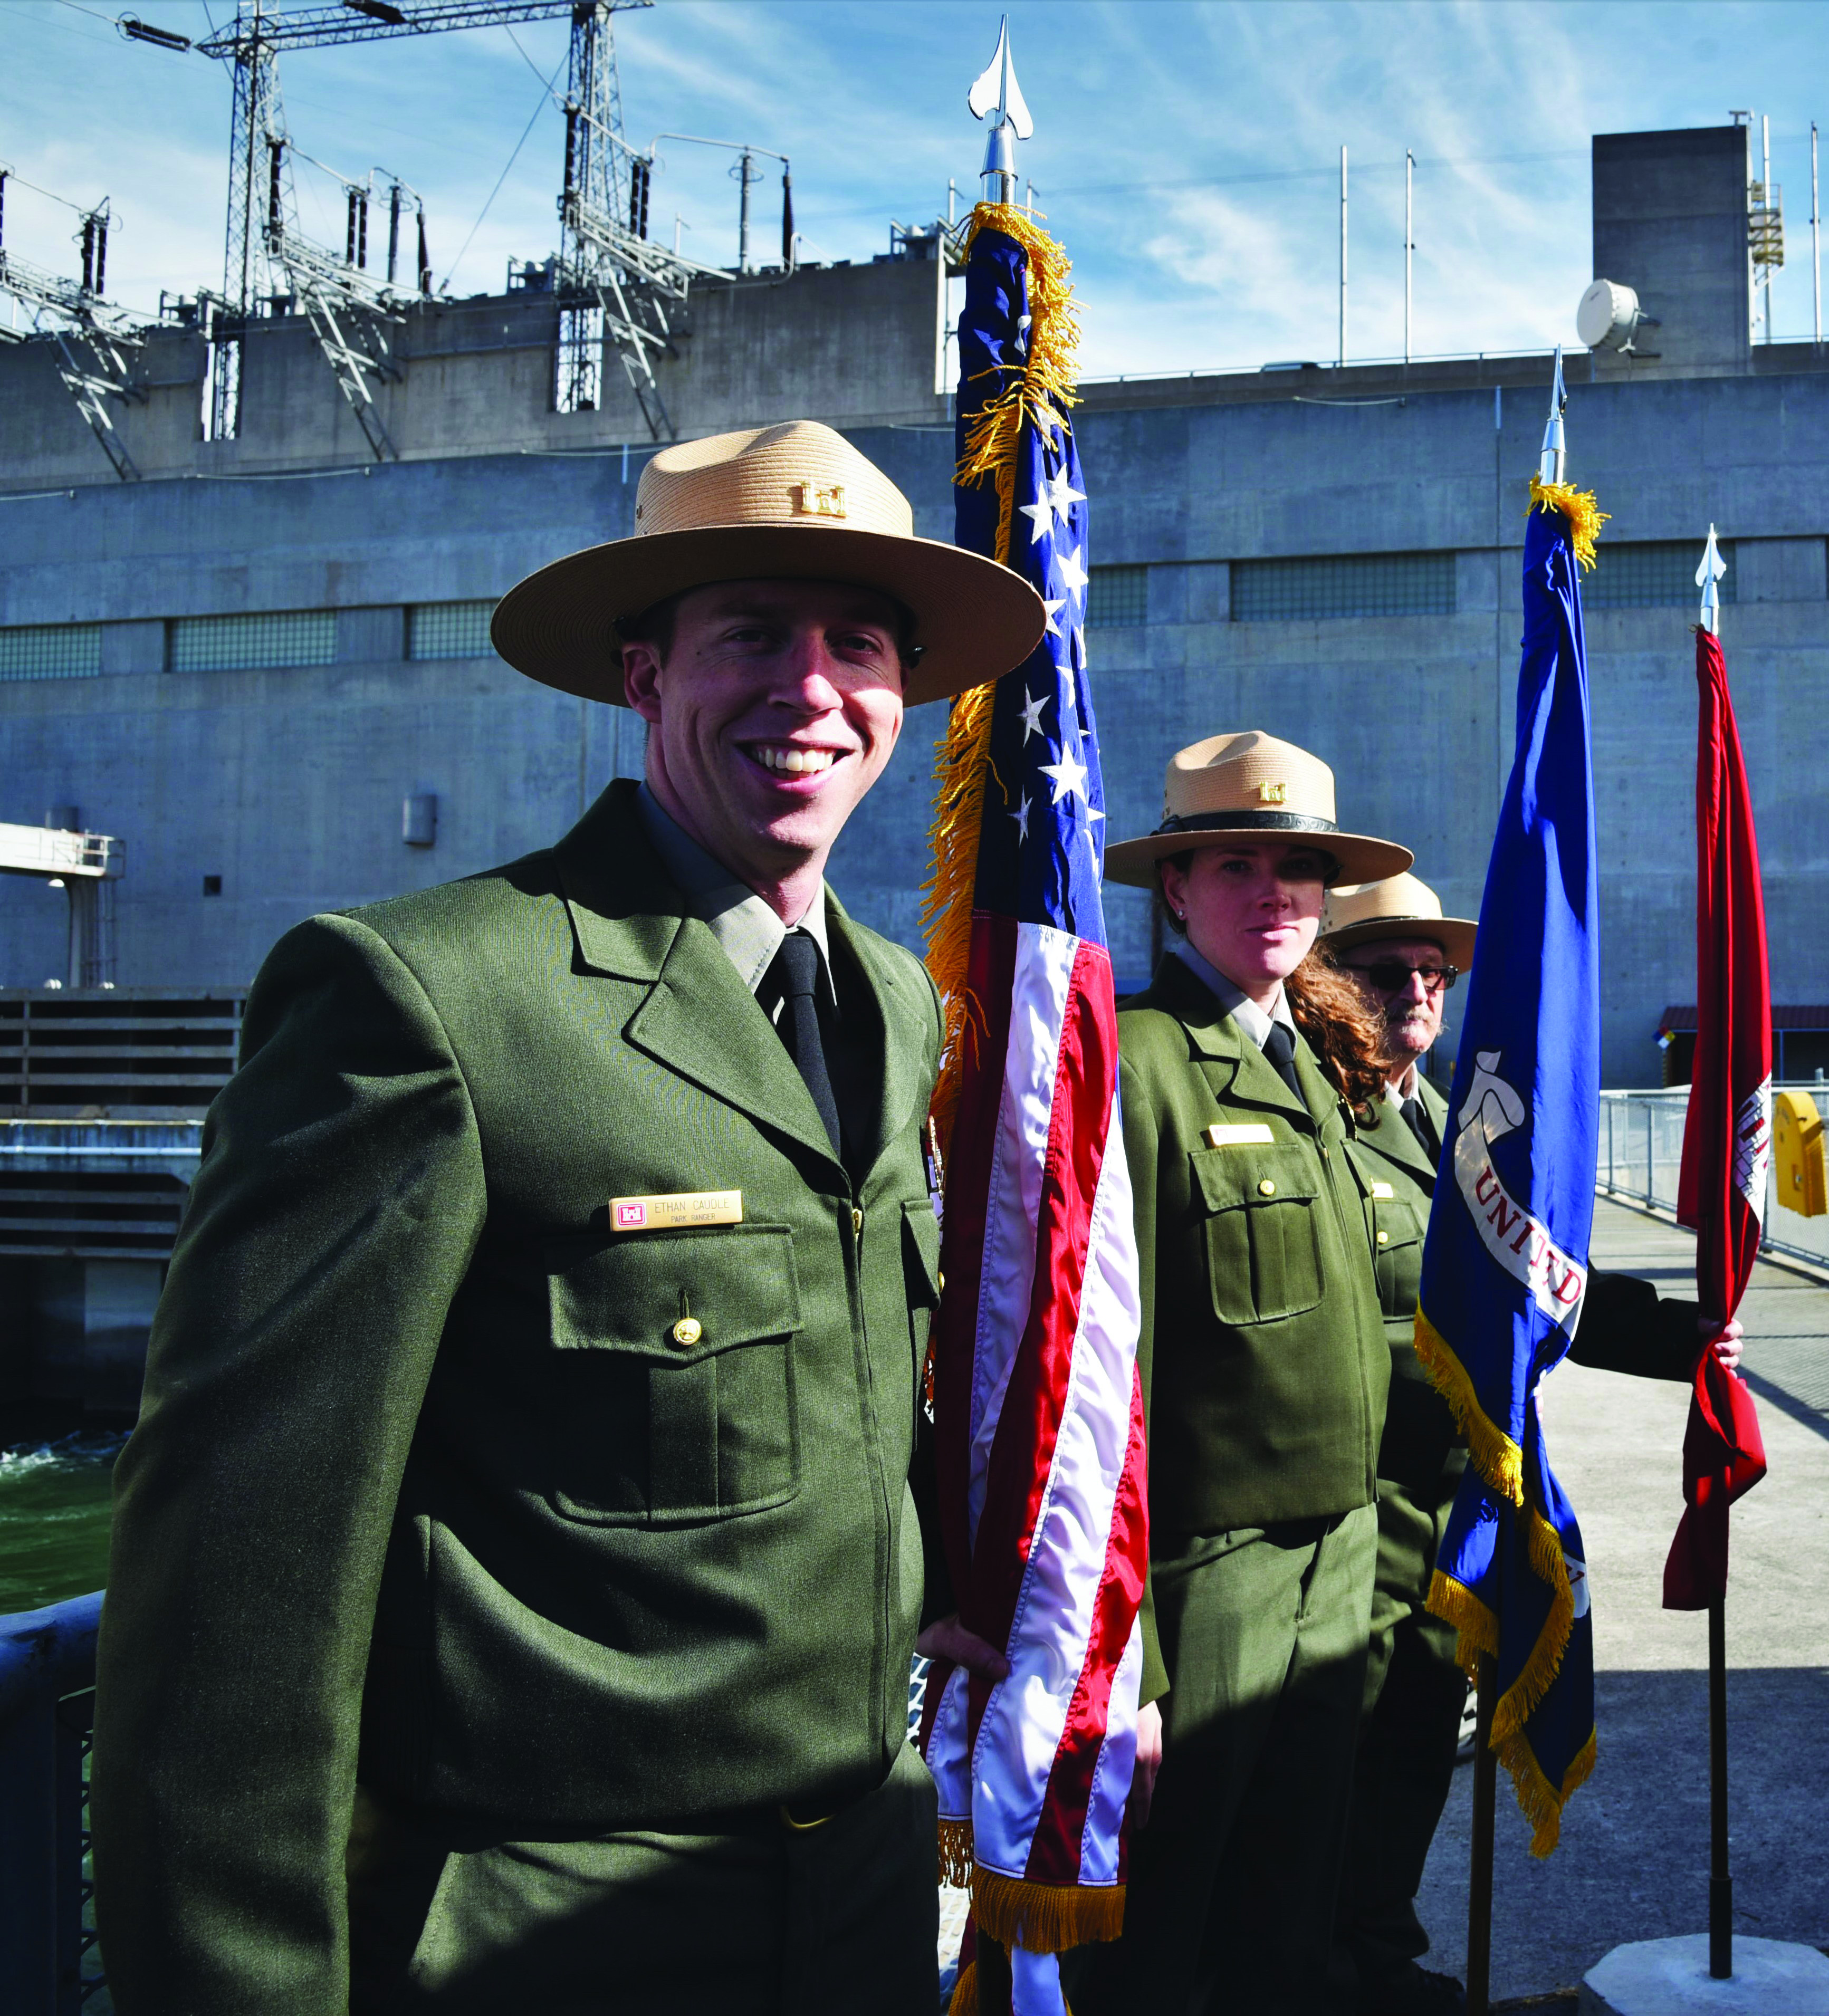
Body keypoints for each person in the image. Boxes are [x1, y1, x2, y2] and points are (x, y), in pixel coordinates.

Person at [92, 421, 1047, 2015]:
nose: (811, 686)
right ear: (641, 675)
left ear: (904, 696)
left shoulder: (888, 996)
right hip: (554, 1931)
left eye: (859, 644)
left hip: (859, 1899)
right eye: (751, 633)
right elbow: (233, 1603)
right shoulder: (434, 997)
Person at [1318, 873, 1741, 2016]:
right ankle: (1328, 1971)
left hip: (1446, 1514)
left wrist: (1684, 1337)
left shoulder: (1443, 1115)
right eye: (1382, 971)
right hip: (1350, 1516)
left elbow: (1527, 1293)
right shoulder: (1322, 1113)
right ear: (1330, 981)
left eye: (1430, 974)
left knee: (1411, 1750)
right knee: (1330, 1775)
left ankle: (1378, 1955)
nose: (1413, 991)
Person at [1065, 731, 1412, 2013]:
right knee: (1163, 1931)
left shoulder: (1314, 1072)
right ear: (1176, 886)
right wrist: (1129, 1664)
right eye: (1236, 863)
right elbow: (1106, 1373)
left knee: (1288, 1917)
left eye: (1300, 868)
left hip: (1340, 1561)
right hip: (1205, 1583)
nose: (1275, 893)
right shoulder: (1139, 1060)